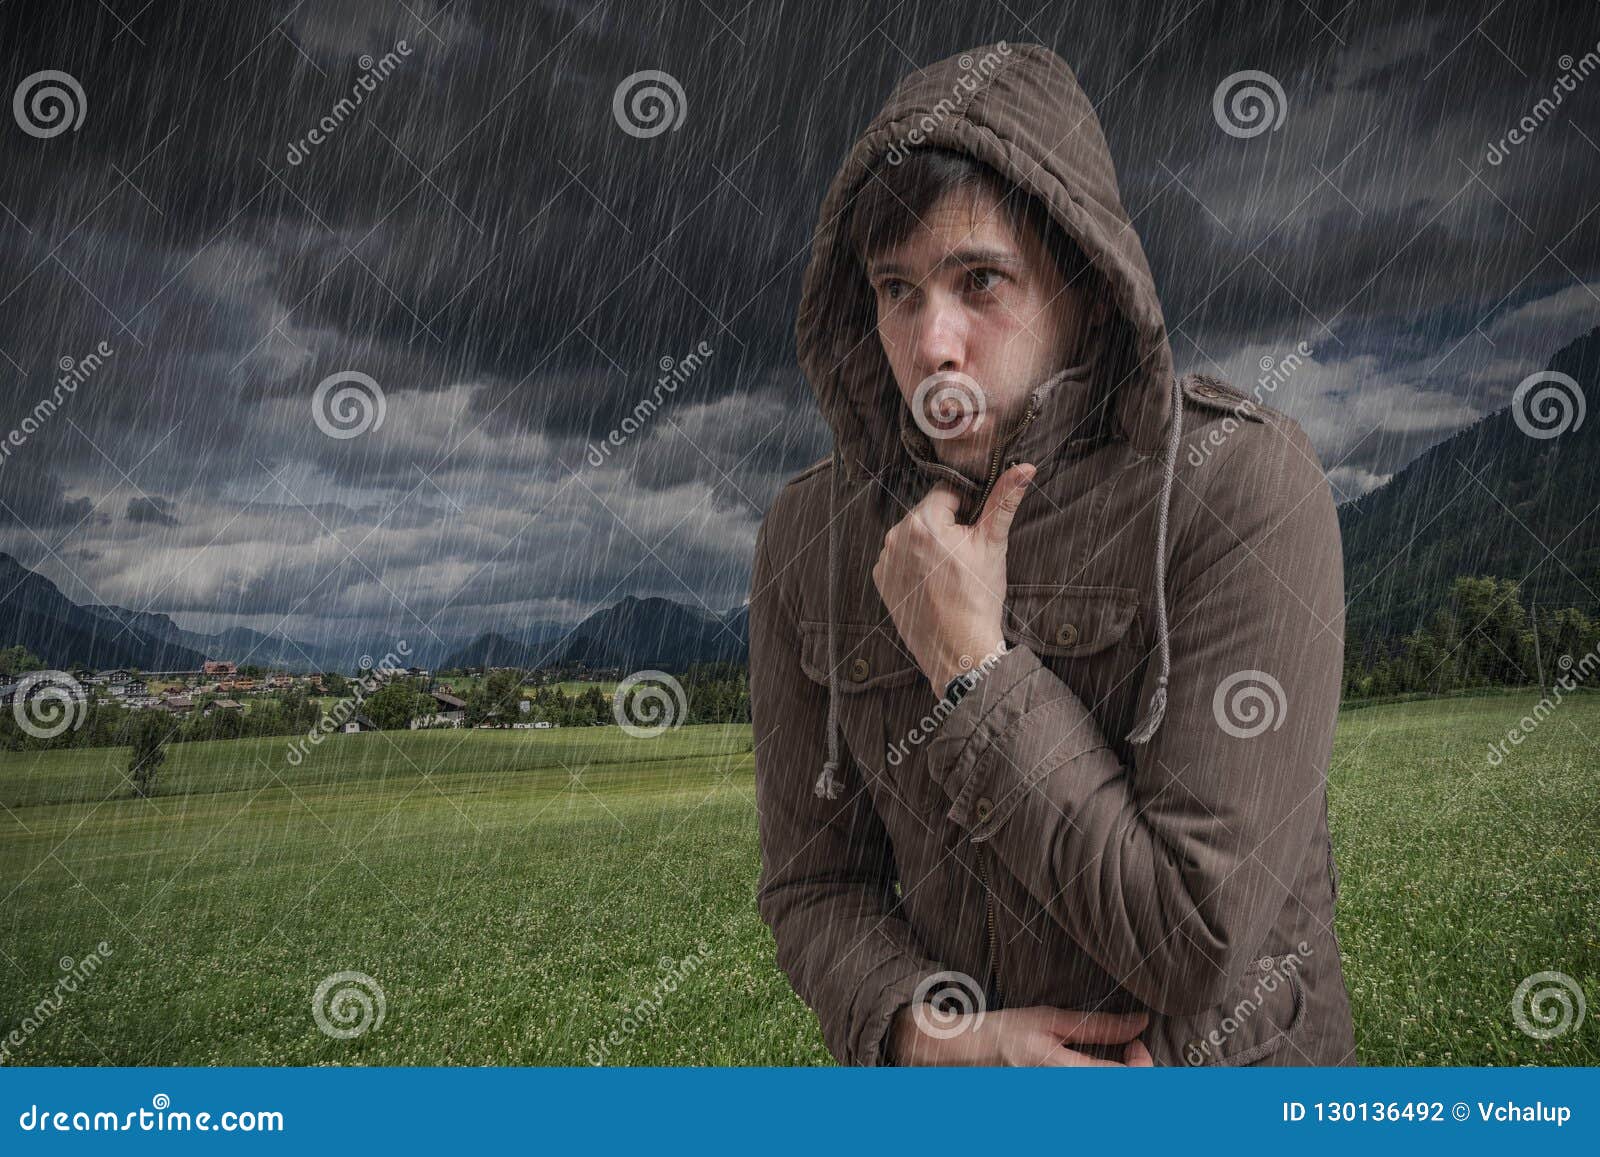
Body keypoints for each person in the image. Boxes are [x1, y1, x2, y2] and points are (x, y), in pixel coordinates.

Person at [749, 41, 1355, 1066]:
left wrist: (969, 668)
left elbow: (1195, 938)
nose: (932, 343)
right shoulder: (809, 537)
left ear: (1083, 276)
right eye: (896, 289)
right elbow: (815, 885)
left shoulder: (1235, 484)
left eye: (977, 278)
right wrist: (924, 1033)